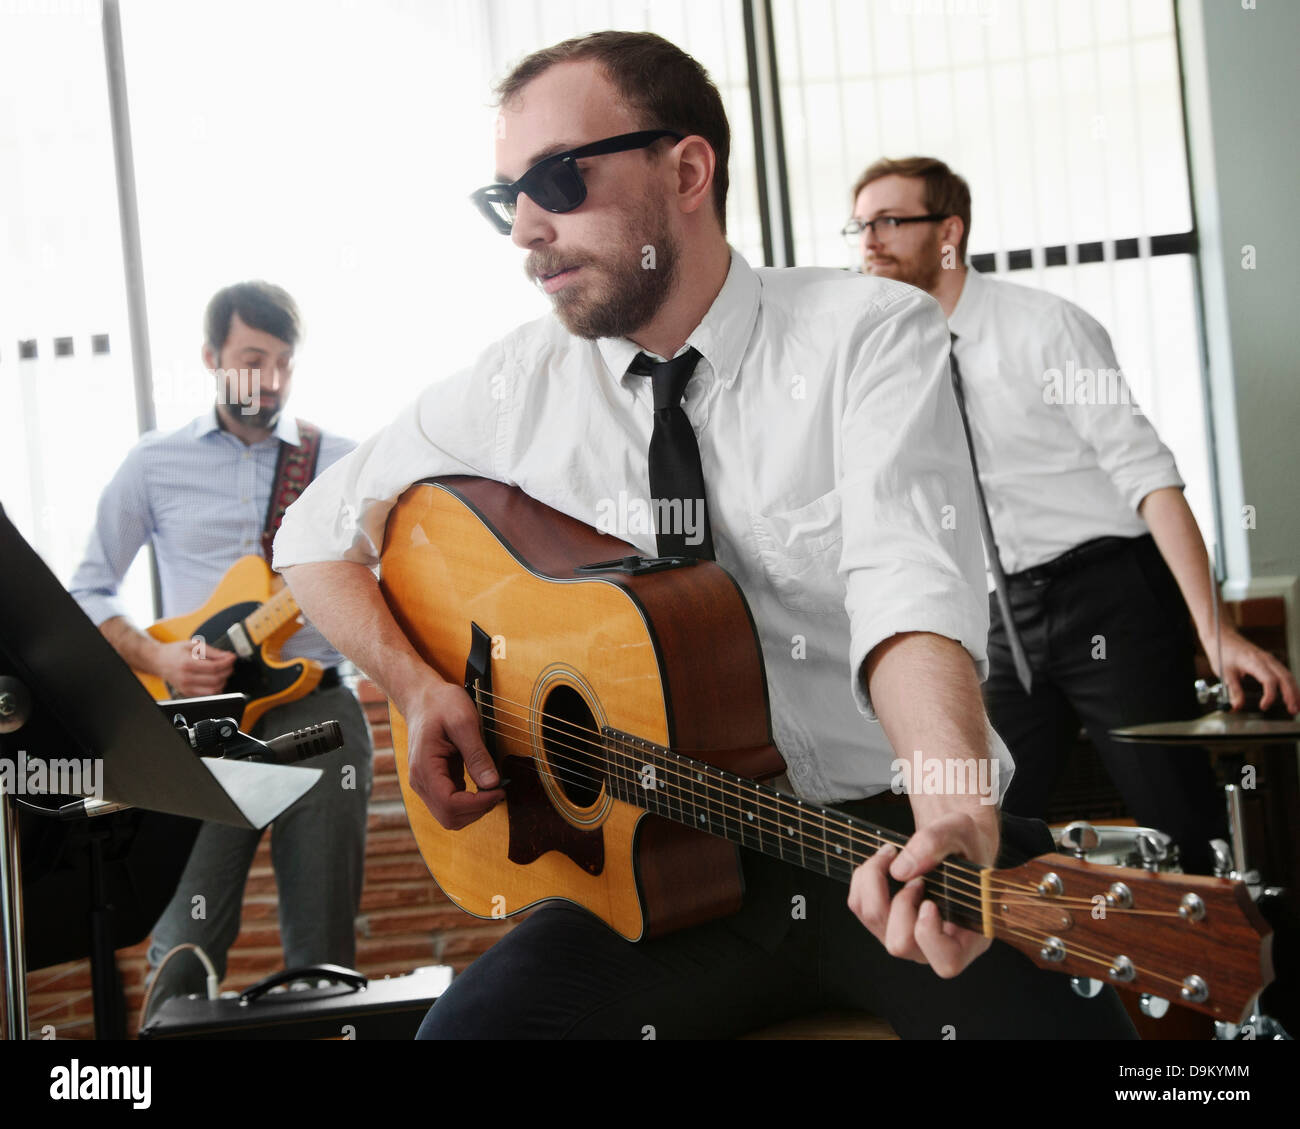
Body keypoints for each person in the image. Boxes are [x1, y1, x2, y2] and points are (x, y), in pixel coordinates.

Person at [276, 31, 1135, 1039]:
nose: (523, 230)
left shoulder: (867, 333)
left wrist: (952, 805)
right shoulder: (514, 386)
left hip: (882, 838)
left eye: (557, 179)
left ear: (686, 170)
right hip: (650, 872)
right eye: (502, 197)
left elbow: (906, 591)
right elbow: (311, 535)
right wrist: (417, 691)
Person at [847, 157, 1300, 874]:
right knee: (976, 820)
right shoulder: (898, 365)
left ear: (949, 233)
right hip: (1007, 617)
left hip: (1110, 597)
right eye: (860, 224)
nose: (868, 240)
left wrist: (1217, 630)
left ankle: (1254, 973)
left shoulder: (1046, 328)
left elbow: (1150, 477)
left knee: (1179, 820)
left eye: (889, 221)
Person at [69, 281, 373, 1021]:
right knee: (183, 937)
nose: (269, 379)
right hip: (201, 722)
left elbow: (392, 567)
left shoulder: (341, 462)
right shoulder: (153, 464)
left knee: (324, 950)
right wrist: (158, 658)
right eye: (250, 359)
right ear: (210, 357)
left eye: (282, 363)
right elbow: (89, 587)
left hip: (318, 711)